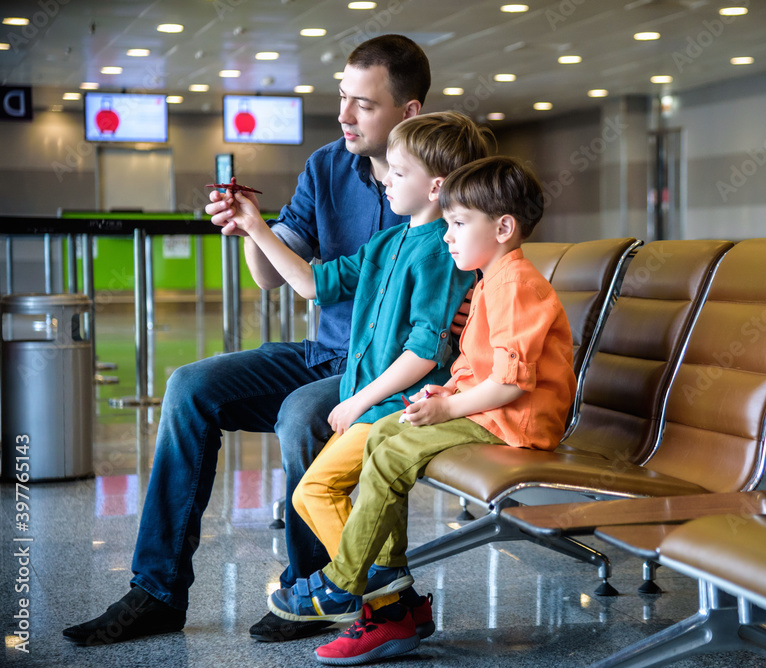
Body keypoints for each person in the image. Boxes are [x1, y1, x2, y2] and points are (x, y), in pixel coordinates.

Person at [63, 34, 437, 647]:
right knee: (190, 386)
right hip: (327, 355)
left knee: (301, 416)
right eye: (342, 98)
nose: (344, 115)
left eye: (363, 105)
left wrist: (268, 237)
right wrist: (247, 230)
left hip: (394, 370)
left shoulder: (440, 182)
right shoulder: (325, 166)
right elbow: (276, 277)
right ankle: (157, 589)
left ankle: (313, 588)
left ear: (409, 112)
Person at [265, 156, 577, 665]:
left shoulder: (514, 285)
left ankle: (343, 582)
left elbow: (509, 384)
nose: (448, 235)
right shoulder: (490, 278)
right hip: (487, 411)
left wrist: (449, 405)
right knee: (385, 434)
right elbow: (479, 366)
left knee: (388, 457)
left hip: (511, 423)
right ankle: (384, 591)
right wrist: (445, 393)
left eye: (458, 224)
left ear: (502, 228)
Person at [231, 111, 492, 639]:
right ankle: (395, 602)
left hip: (396, 407)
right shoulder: (388, 243)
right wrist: (255, 227)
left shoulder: (443, 252)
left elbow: (424, 352)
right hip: (371, 402)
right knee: (351, 508)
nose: (385, 179)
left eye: (397, 172)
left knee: (314, 492)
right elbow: (310, 283)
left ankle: (375, 591)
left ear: (435, 186)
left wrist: (356, 401)